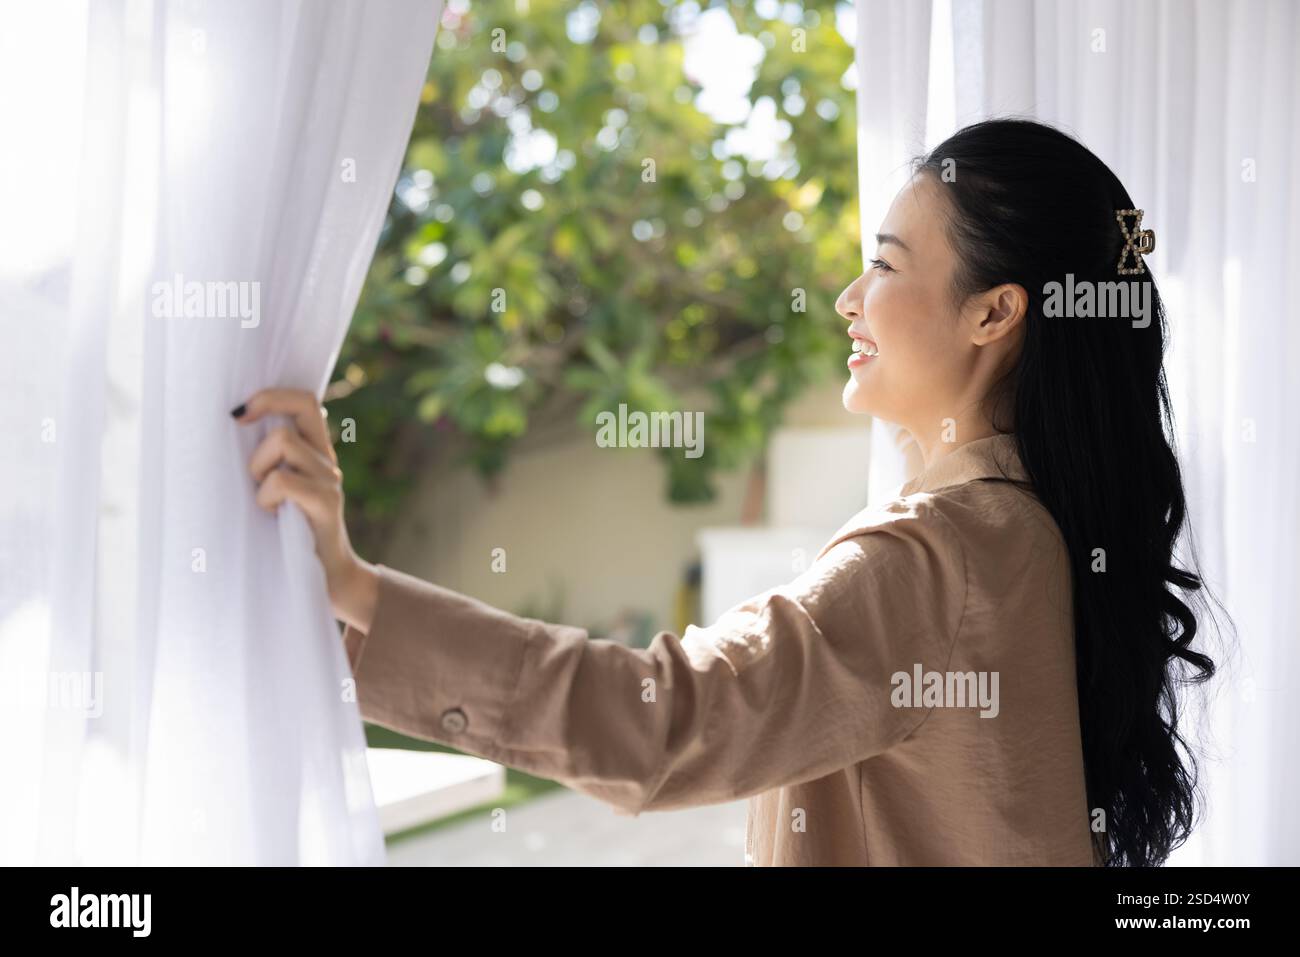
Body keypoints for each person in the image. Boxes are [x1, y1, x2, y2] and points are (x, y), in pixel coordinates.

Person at [233, 119, 1216, 866]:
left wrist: (354, 587)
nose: (847, 298)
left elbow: (661, 719)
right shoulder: (1024, 530)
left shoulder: (943, 551)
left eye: (882, 264)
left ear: (994, 312)